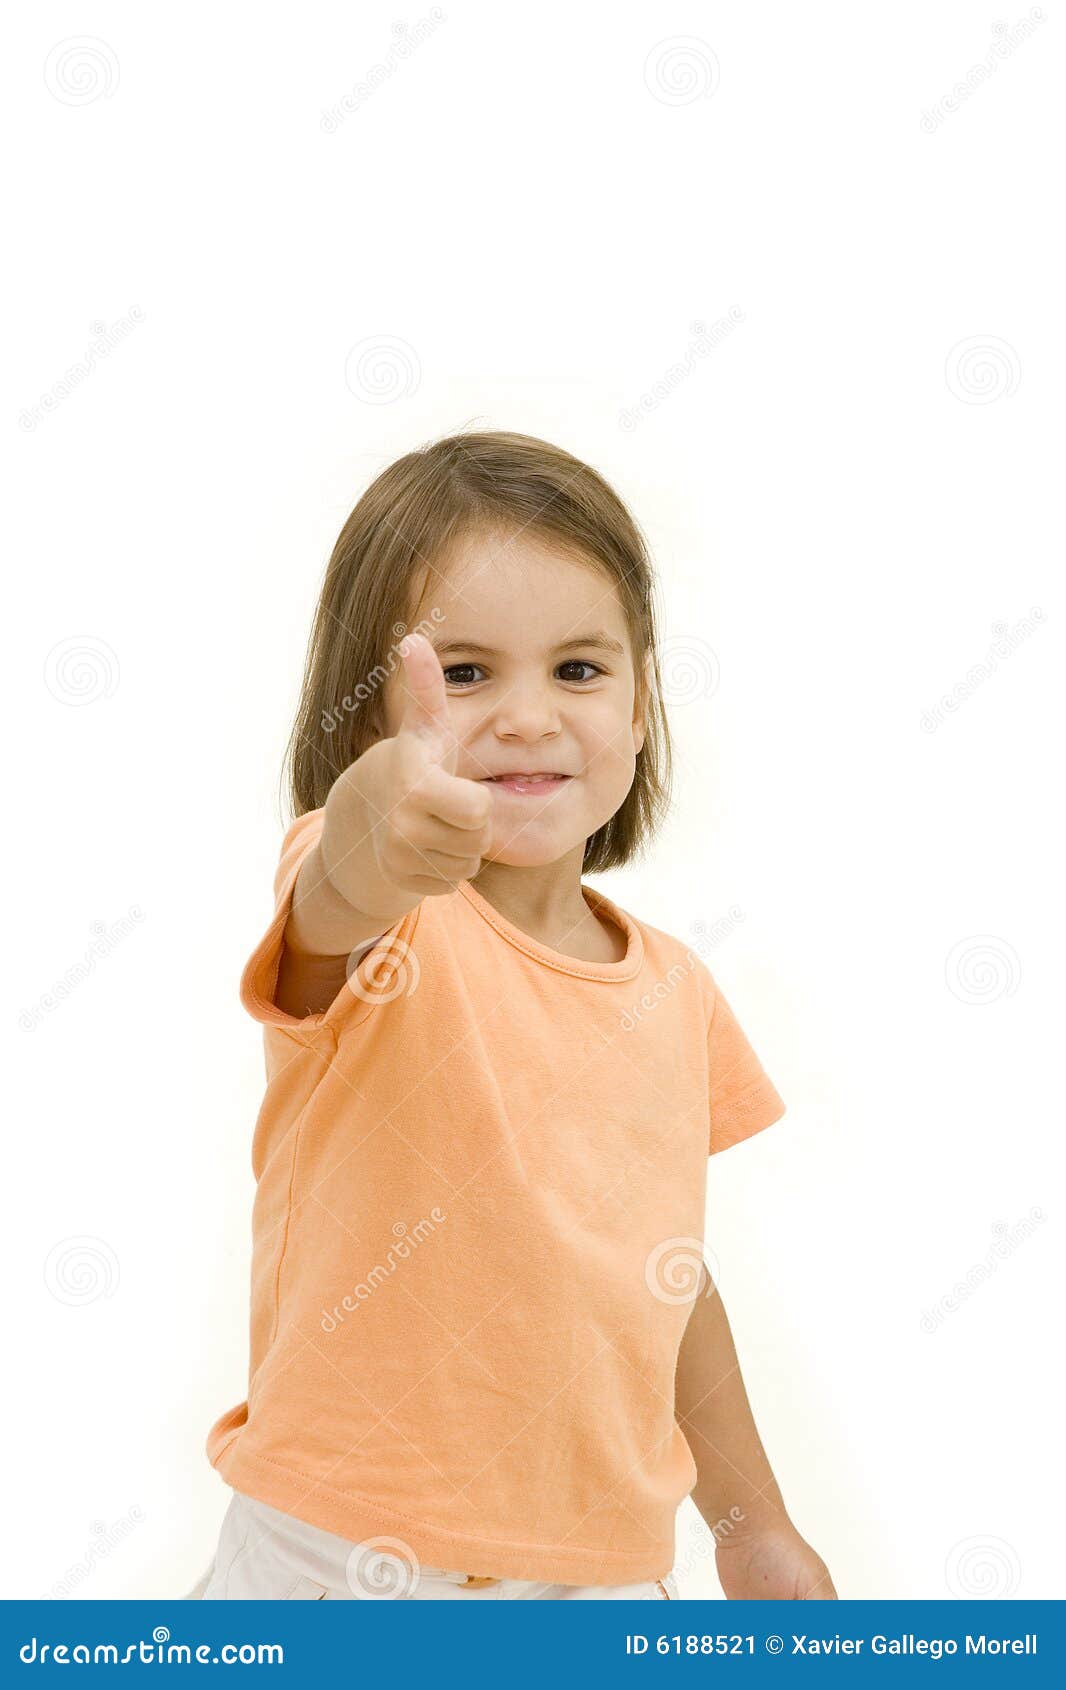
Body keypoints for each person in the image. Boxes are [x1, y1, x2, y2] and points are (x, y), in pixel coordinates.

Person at [199, 430, 836, 1601]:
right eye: (467, 672)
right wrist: (375, 825)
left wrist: (753, 1523)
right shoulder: (378, 912)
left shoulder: (675, 988)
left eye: (579, 671)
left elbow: (665, 1275)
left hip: (598, 1579)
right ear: (364, 719)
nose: (529, 717)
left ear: (642, 704)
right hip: (335, 1564)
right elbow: (335, 888)